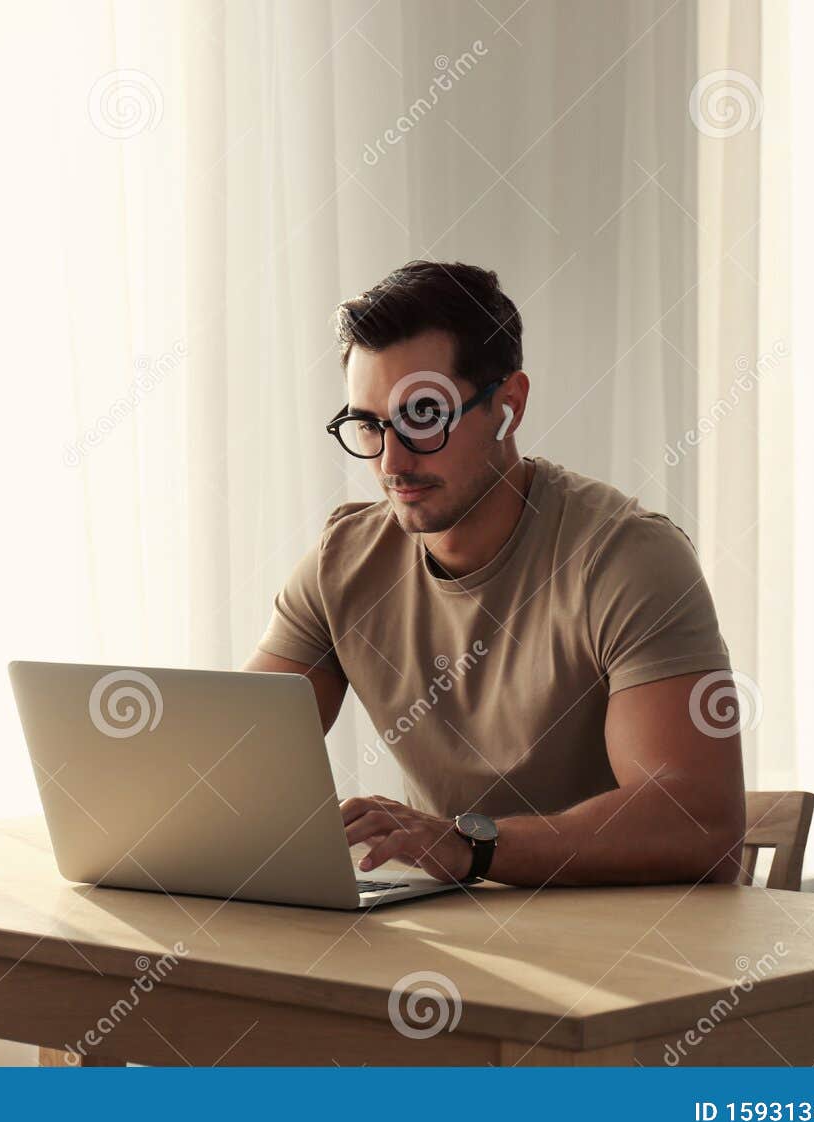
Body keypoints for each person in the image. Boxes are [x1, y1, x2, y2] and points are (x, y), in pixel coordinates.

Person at [246, 260, 744, 887]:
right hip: (465, 944)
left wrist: (469, 846)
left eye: (424, 416)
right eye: (368, 425)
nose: (392, 461)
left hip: (642, 950)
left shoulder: (628, 558)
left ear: (508, 404)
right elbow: (235, 761)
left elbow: (698, 823)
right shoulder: (342, 563)